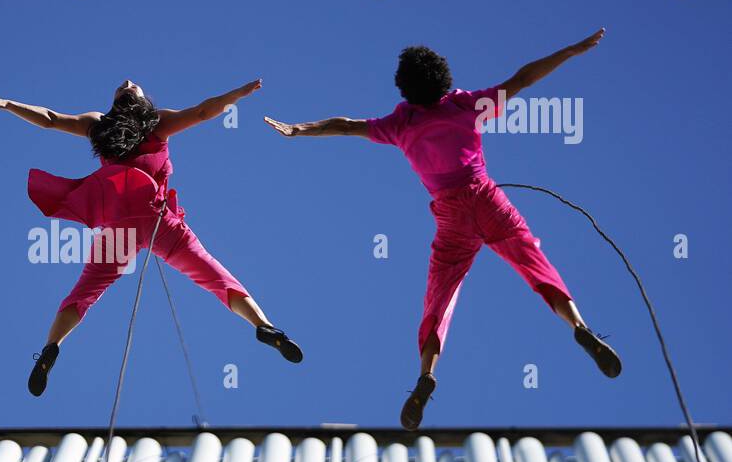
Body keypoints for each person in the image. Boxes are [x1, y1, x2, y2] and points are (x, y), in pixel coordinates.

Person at [264, 30, 621, 429]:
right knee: (533, 260)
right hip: (487, 200)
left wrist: (301, 129)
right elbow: (521, 79)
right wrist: (571, 50)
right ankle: (579, 325)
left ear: (405, 86)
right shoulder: (464, 105)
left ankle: (426, 374)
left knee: (440, 295)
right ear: (442, 78)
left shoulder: (400, 123)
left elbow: (347, 126)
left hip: (451, 217)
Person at [0, 79, 303, 396]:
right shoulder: (157, 122)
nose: (127, 81)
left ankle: (52, 347)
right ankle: (262, 324)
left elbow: (50, 119)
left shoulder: (98, 125)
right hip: (159, 219)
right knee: (216, 276)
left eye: (128, 85)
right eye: (125, 86)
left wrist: (9, 105)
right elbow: (204, 111)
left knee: (86, 290)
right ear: (137, 100)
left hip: (119, 221)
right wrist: (238, 94)